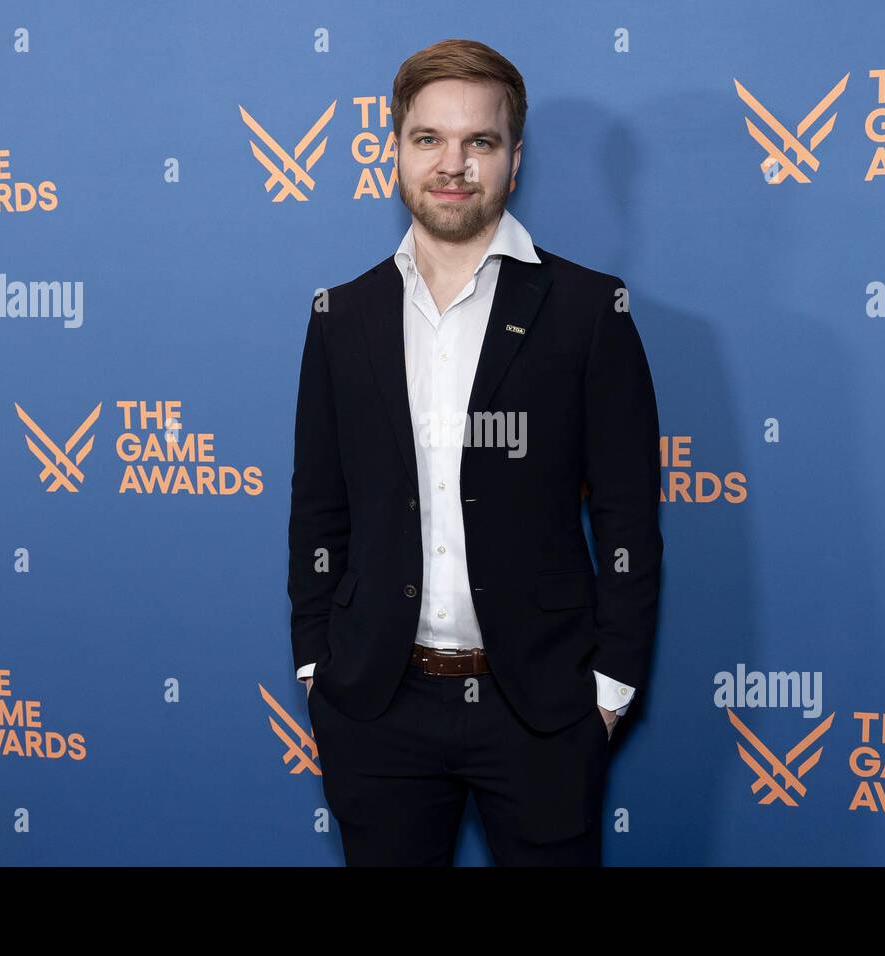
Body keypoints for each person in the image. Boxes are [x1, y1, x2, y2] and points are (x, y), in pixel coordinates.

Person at [287, 38, 662, 865]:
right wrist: (317, 665)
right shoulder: (339, 318)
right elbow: (319, 508)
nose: (452, 165)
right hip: (376, 704)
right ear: (394, 152)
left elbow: (630, 512)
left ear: (514, 159)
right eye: (428, 139)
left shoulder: (592, 312)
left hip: (541, 706)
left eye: (479, 142)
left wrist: (609, 688)